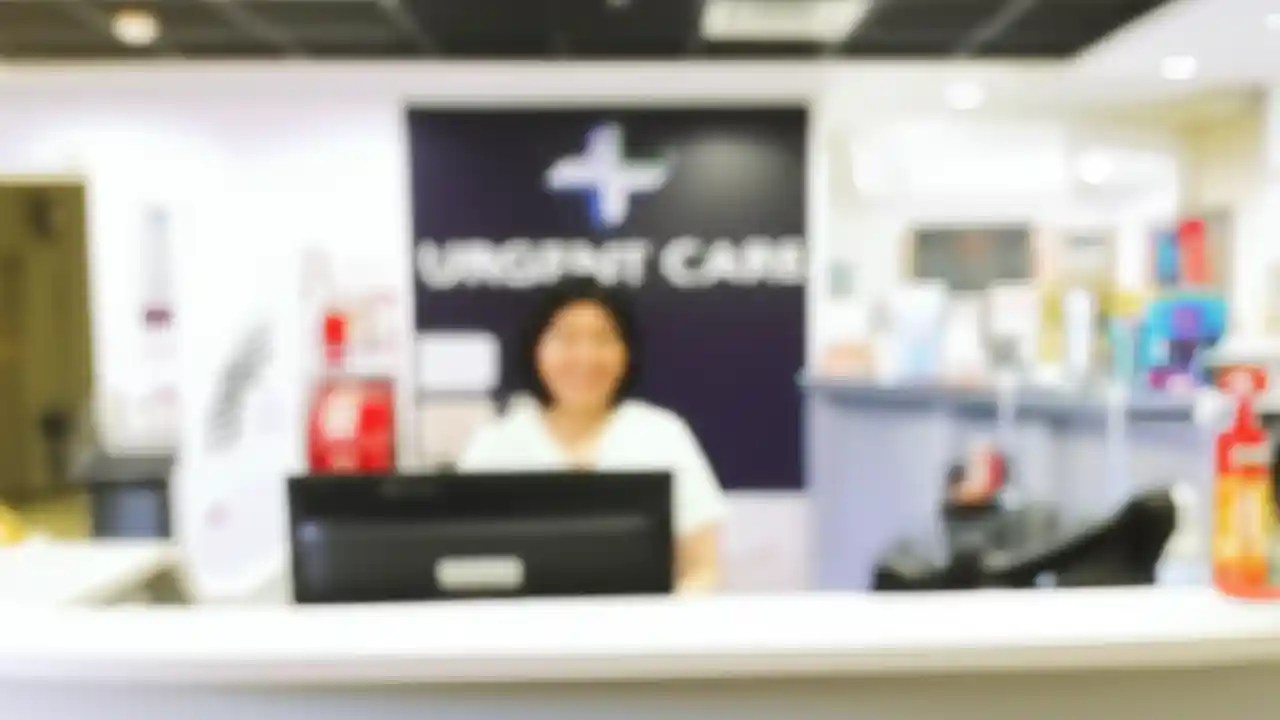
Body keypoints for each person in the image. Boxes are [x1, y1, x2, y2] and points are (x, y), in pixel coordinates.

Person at [458, 279, 728, 593]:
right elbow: (467, 564)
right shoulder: (495, 444)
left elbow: (702, 568)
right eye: (567, 339)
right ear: (536, 349)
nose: (585, 357)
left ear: (626, 353)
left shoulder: (662, 434)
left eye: (602, 339)